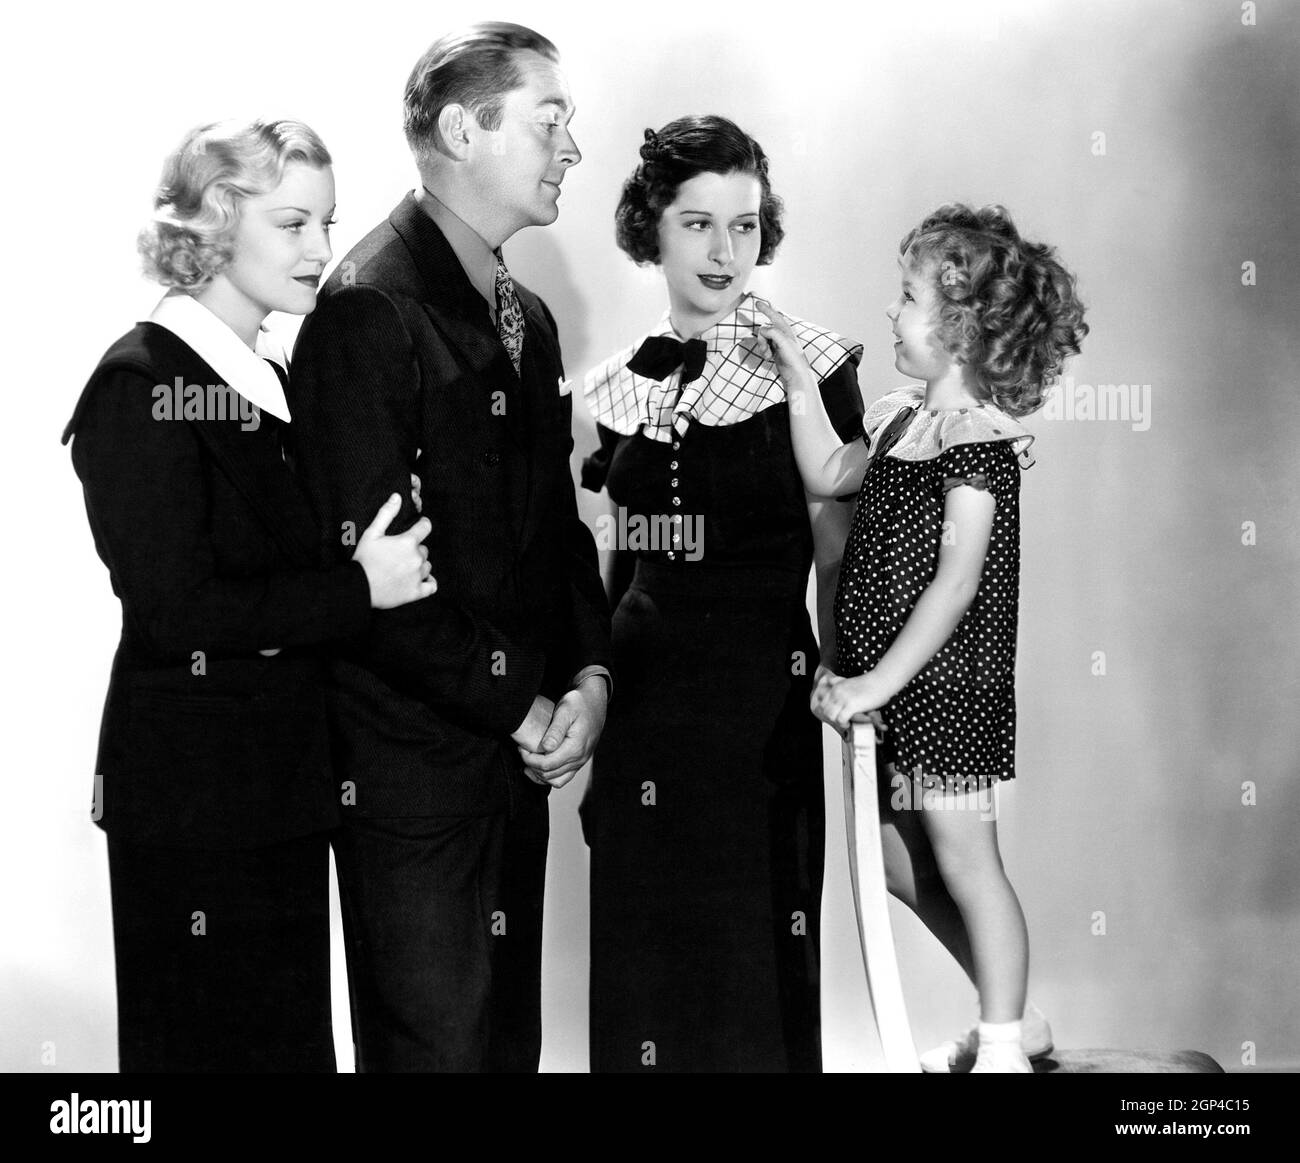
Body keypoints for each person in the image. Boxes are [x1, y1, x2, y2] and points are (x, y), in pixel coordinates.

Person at [63, 118, 437, 1072]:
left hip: (278, 789)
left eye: (327, 223)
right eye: (293, 223)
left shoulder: (266, 375)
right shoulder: (139, 382)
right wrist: (358, 587)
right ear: (219, 225)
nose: (322, 250)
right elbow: (177, 611)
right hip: (192, 799)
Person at [288, 22, 612, 1073]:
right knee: (435, 1050)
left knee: (502, 1045)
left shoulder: (527, 317)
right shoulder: (365, 307)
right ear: (466, 129)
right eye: (550, 119)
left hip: (512, 763)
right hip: (409, 777)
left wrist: (591, 678)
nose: (572, 147)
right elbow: (375, 582)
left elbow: (556, 531)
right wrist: (524, 703)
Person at [757, 202, 1088, 1072]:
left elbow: (956, 579)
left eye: (906, 299)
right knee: (905, 870)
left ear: (963, 328)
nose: (892, 314)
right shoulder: (904, 418)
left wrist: (873, 683)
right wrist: (795, 374)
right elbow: (830, 474)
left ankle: (1008, 1044)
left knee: (965, 858)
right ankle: (1016, 1011)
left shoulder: (976, 443)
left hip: (947, 689)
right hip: (892, 689)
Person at [579, 115, 864, 1072]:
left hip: (760, 705)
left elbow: (837, 546)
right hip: (643, 705)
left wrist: (846, 676)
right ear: (650, 227)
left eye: (744, 226)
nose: (723, 250)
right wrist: (597, 690)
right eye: (697, 223)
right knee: (644, 957)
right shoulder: (620, 381)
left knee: (753, 964)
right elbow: (618, 560)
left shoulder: (813, 367)